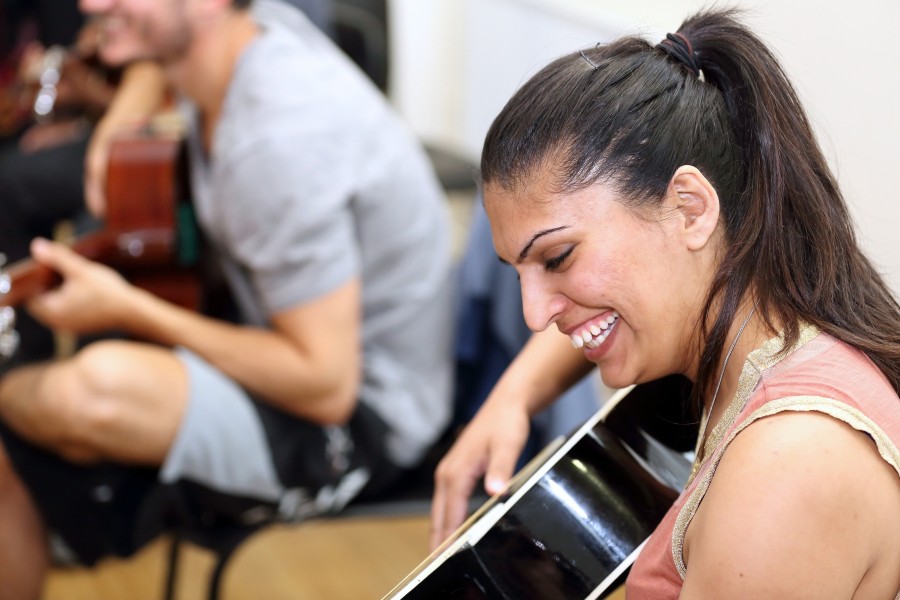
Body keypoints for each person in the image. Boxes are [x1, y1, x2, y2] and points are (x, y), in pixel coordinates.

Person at [430, 8, 900, 599]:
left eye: (556, 259)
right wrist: (514, 396)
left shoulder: (790, 461)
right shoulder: (761, 330)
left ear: (690, 209)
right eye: (518, 272)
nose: (532, 316)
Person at [0, 0, 453, 597]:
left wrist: (129, 310)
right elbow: (159, 53)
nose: (91, 4)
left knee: (90, 391)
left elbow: (325, 384)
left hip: (364, 421)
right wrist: (120, 122)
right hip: (291, 344)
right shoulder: (246, 35)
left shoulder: (274, 138)